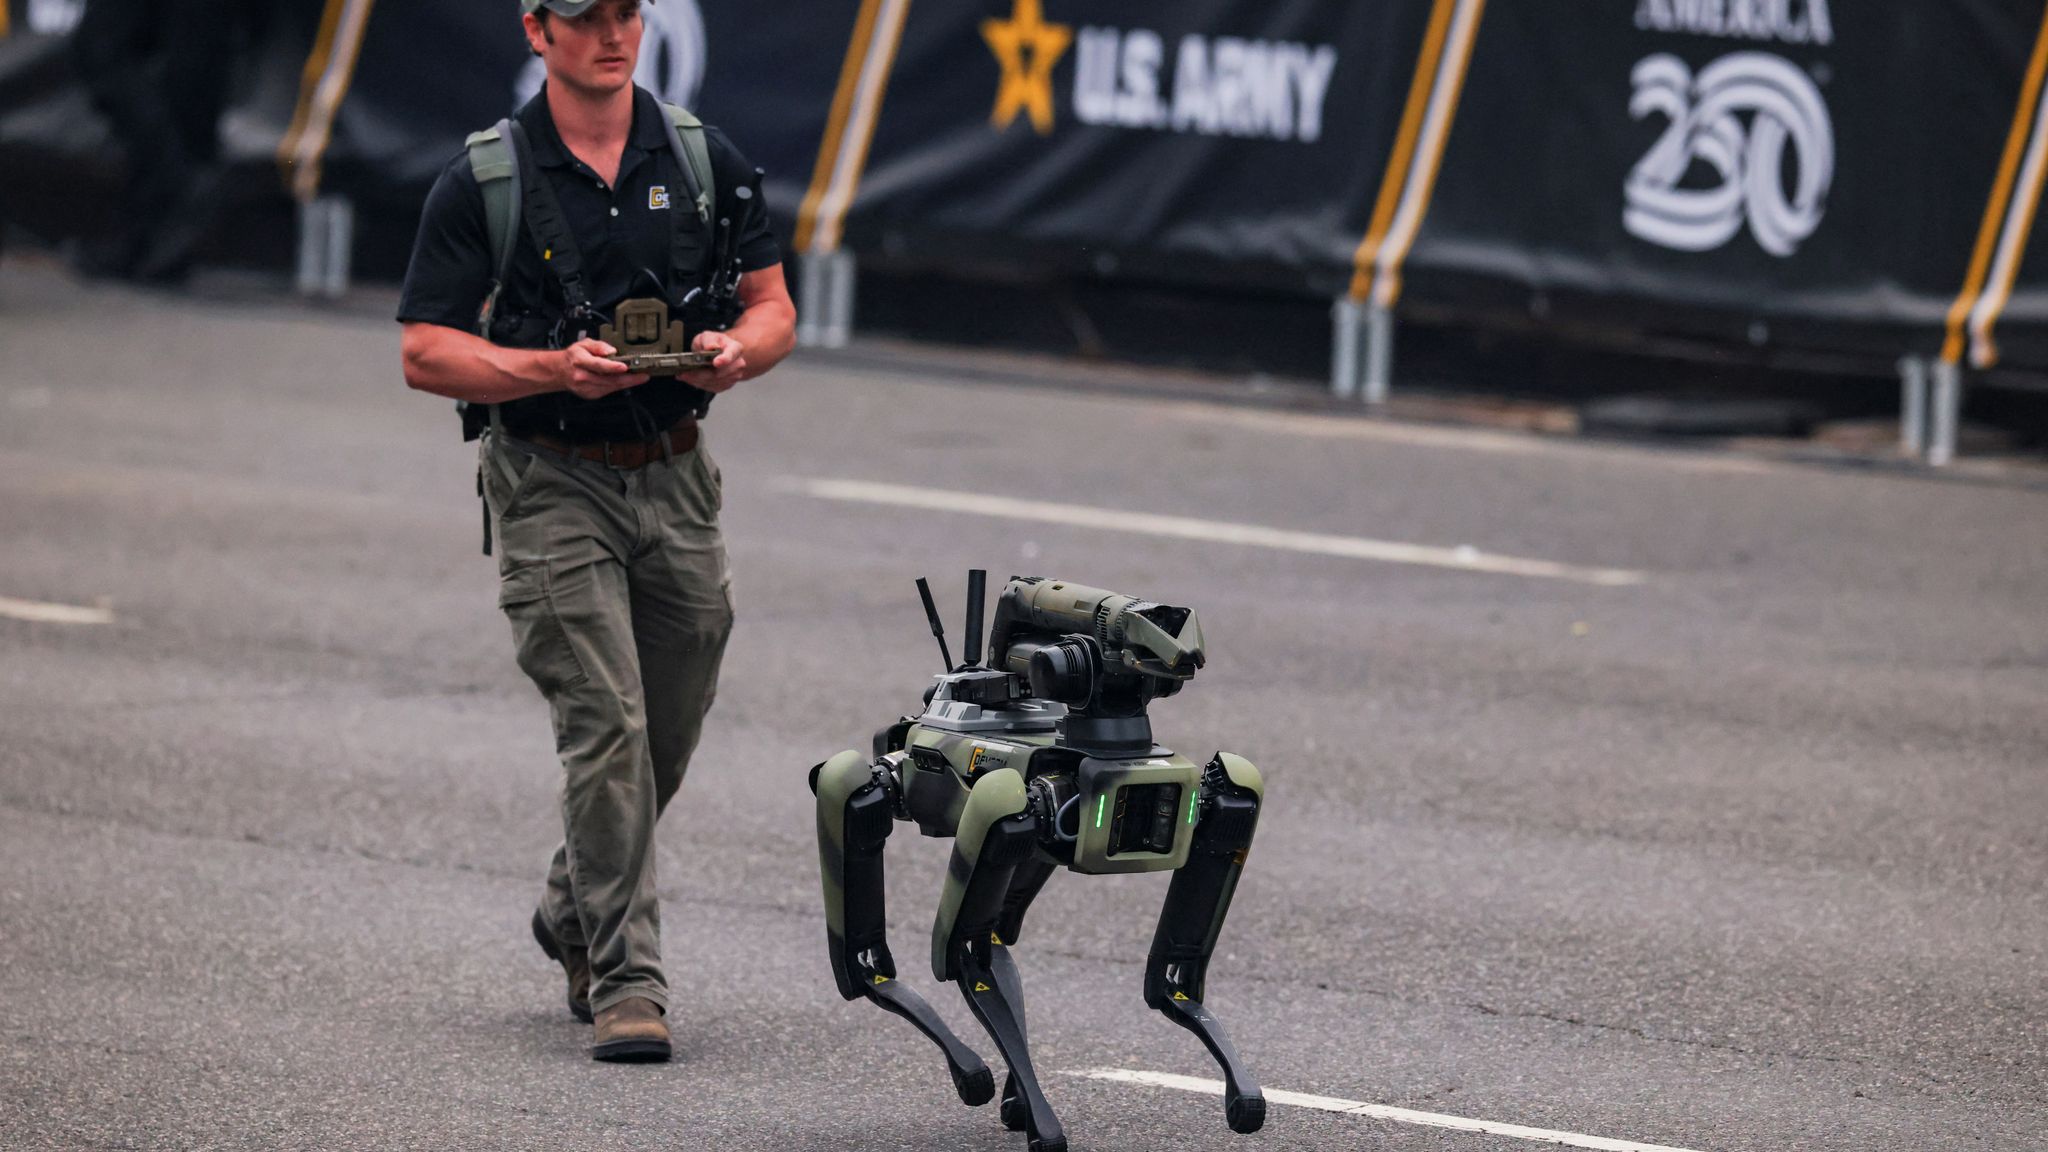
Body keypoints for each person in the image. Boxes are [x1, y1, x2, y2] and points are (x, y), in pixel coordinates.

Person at [396, 0, 795, 1062]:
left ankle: (572, 898)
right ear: (537, 30)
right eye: (585, 17)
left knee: (669, 724)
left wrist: (738, 353)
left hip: (677, 476)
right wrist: (548, 369)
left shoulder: (702, 160)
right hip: (549, 482)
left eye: (626, 12)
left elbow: (774, 307)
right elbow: (425, 351)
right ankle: (625, 979)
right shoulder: (487, 178)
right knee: (607, 727)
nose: (611, 35)